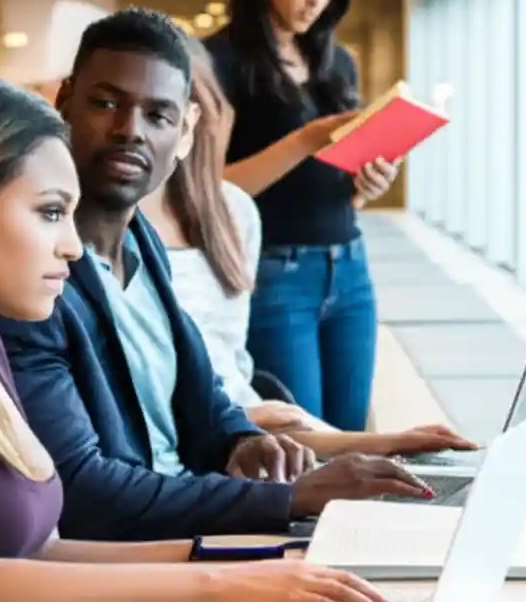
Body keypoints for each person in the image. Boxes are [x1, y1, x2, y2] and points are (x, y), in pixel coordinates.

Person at [0, 72, 385, 601]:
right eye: (49, 212)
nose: (72, 246)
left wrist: (264, 560)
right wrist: (224, 584)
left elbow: (42, 551)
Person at [0, 7, 431, 544]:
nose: (129, 131)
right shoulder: (33, 275)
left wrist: (245, 441)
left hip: (195, 516)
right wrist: (290, 498)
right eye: (106, 103)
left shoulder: (142, 244)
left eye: (158, 115)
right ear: (63, 103)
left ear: (184, 130)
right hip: (139, 551)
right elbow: (84, 494)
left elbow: (207, 403)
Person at [140, 32, 476, 459]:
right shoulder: (119, 240)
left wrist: (362, 189)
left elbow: (231, 370)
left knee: (362, 443)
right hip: (235, 430)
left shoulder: (233, 214)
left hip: (341, 263)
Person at [206, 0, 400, 432]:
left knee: (355, 434)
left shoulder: (338, 62)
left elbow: (338, 186)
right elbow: (212, 188)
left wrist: (367, 183)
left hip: (350, 266)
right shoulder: (219, 61)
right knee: (305, 442)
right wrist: (306, 139)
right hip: (277, 273)